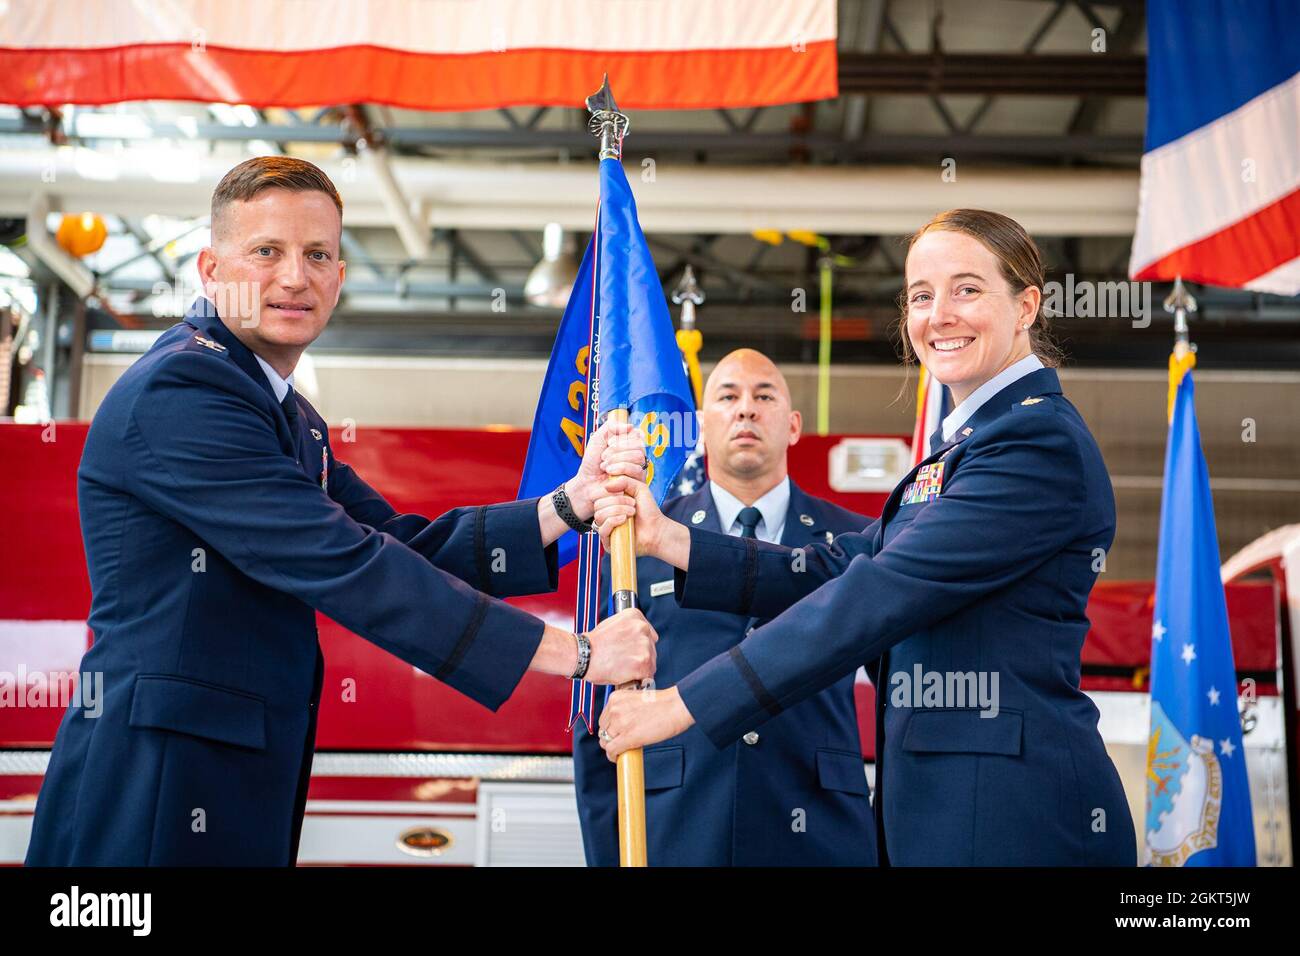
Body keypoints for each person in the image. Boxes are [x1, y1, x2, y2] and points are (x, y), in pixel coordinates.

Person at [25, 156, 654, 866]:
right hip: (155, 789)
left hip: (224, 774)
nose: (295, 276)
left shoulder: (289, 416)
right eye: (266, 251)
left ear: (339, 278)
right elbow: (346, 563)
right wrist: (575, 653)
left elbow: (399, 546)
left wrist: (567, 505)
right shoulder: (185, 390)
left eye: (317, 254)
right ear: (210, 270)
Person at [593, 209, 1138, 866]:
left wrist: (681, 704)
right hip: (946, 817)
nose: (939, 315)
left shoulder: (1034, 445)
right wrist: (669, 539)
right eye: (920, 295)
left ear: (1025, 306)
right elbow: (838, 567)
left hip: (1010, 820)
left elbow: (873, 595)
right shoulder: (968, 448)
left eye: (967, 289)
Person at [574, 349, 876, 866]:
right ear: (701, 427)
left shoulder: (851, 540)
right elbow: (598, 707)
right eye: (729, 397)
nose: (746, 410)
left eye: (764, 396)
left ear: (793, 425)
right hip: (677, 829)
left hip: (820, 829)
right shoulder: (635, 546)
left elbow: (899, 687)